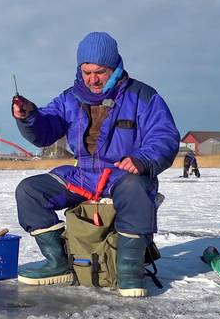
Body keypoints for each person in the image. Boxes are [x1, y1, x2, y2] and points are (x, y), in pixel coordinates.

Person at [11, 31, 180, 297]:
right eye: (86, 71)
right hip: (82, 176)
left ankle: (129, 271)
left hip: (122, 175)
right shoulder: (69, 98)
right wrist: (29, 116)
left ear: (114, 67)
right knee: (29, 190)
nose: (92, 79)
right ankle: (58, 264)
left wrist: (143, 160)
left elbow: (164, 136)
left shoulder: (143, 96)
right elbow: (45, 131)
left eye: (100, 71)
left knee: (136, 187)